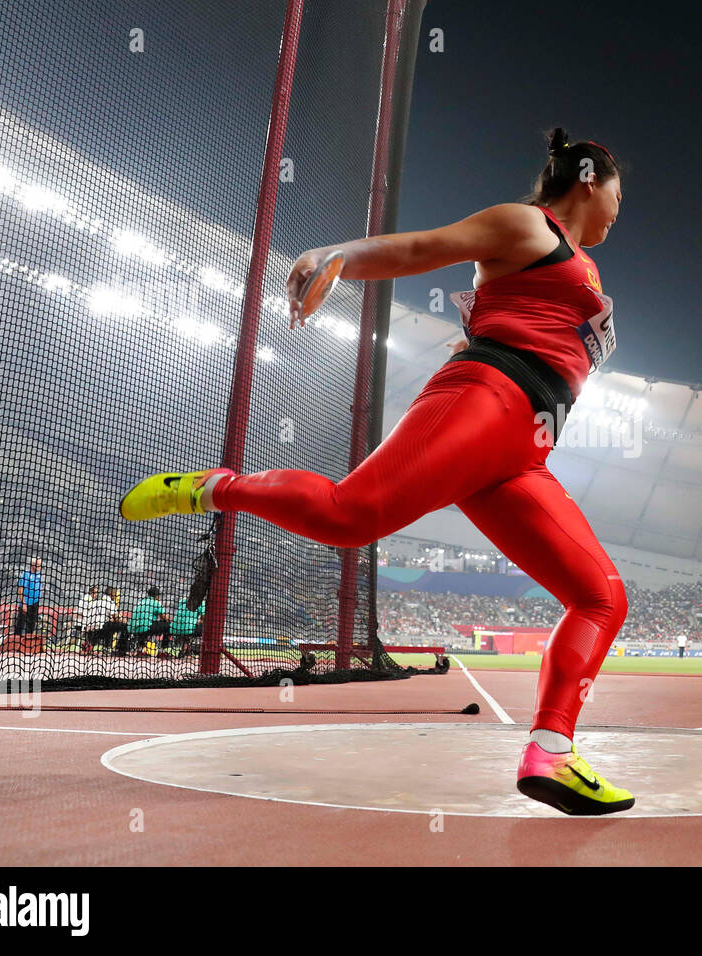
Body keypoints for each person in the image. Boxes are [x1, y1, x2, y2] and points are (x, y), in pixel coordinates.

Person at [120, 128, 633, 815]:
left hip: (525, 449)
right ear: (591, 179)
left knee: (601, 596)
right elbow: (427, 246)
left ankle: (552, 753)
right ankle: (214, 487)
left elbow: (526, 320)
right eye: (619, 195)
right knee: (349, 517)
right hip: (490, 401)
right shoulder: (527, 224)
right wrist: (339, 256)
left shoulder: (583, 267)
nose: (621, 212)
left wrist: (483, 327)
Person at [126, 587, 170, 656]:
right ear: (157, 596)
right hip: (146, 628)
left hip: (133, 628)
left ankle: (140, 649)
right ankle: (162, 650)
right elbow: (165, 617)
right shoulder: (156, 603)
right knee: (169, 626)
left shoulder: (141, 602)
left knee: (145, 626)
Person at [13, 557, 43, 637]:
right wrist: (23, 604)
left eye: (40, 565)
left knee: (31, 625)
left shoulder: (39, 575)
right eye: (38, 565)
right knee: (20, 625)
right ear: (33, 565)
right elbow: (20, 591)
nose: (39, 567)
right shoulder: (26, 575)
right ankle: (15, 642)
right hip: (26, 603)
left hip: (35, 603)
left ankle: (28, 644)